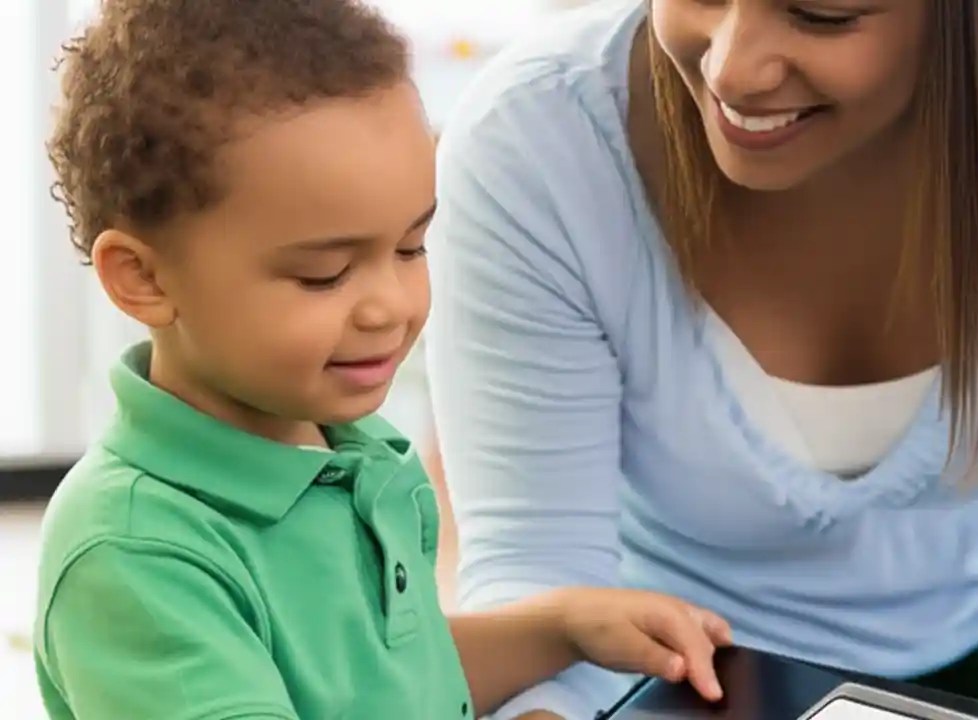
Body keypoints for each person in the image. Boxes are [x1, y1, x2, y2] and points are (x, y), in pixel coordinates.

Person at [425, 0, 978, 718]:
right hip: (658, 682)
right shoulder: (537, 137)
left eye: (822, 16)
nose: (732, 68)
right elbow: (539, 574)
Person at [32, 2, 733, 719]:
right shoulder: (135, 552)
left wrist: (562, 631)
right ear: (144, 278)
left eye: (410, 248)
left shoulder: (348, 450)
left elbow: (389, 685)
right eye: (324, 274)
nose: (390, 307)